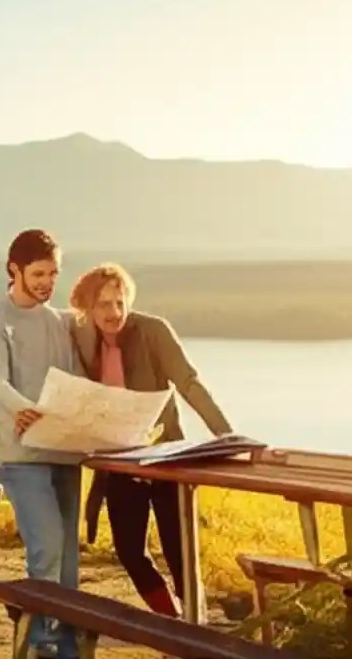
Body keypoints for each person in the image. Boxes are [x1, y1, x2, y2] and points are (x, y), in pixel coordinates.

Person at [67, 262, 233, 618]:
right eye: (104, 304)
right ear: (87, 308)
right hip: (119, 463)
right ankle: (172, 623)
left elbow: (189, 383)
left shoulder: (153, 332)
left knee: (179, 554)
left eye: (119, 301)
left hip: (167, 458)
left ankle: (195, 628)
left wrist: (227, 435)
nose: (114, 313)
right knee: (129, 552)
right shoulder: (83, 341)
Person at [0, 229, 86, 659]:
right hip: (20, 453)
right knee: (47, 547)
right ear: (13, 270)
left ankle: (69, 643)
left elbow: (72, 381)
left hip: (64, 450)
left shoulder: (58, 322)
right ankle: (44, 643)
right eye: (38, 273)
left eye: (53, 273)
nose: (46, 282)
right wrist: (23, 409)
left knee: (69, 558)